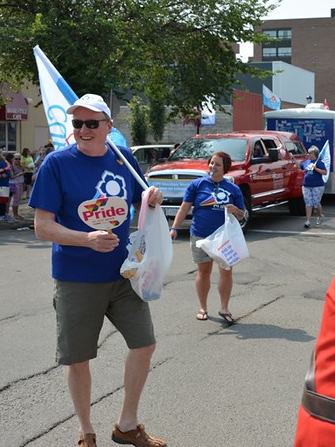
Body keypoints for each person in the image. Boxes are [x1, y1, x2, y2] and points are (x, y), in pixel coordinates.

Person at [30, 93, 166, 447]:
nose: (84, 130)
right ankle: (87, 431)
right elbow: (42, 226)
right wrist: (85, 238)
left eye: (92, 123)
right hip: (76, 277)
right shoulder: (56, 164)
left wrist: (152, 199)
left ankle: (126, 424)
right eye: (78, 123)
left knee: (145, 344)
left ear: (108, 126)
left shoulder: (123, 161)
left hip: (123, 274)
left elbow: (141, 204)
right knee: (78, 358)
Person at [169, 151, 246, 325]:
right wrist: (174, 228)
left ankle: (224, 308)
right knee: (204, 272)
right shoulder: (197, 185)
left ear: (225, 168)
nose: (213, 167)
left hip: (224, 237)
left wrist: (236, 210)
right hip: (200, 235)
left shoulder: (233, 189)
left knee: (226, 271)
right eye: (211, 163)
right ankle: (203, 307)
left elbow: (243, 216)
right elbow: (184, 208)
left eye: (217, 164)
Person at [300, 145, 326, 228]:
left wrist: (316, 169)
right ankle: (307, 221)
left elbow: (325, 172)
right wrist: (293, 159)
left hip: (317, 186)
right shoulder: (306, 162)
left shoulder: (319, 162)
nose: (307, 155)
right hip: (306, 185)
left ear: (313, 154)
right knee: (308, 202)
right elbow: (301, 167)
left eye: (309, 153)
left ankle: (320, 215)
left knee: (316, 203)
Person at [8, 152, 25, 220]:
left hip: (21, 182)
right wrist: (19, 174)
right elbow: (11, 176)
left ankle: (17, 213)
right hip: (14, 183)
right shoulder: (12, 166)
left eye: (19, 159)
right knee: (15, 199)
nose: (17, 160)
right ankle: (15, 214)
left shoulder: (21, 165)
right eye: (16, 159)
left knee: (18, 199)